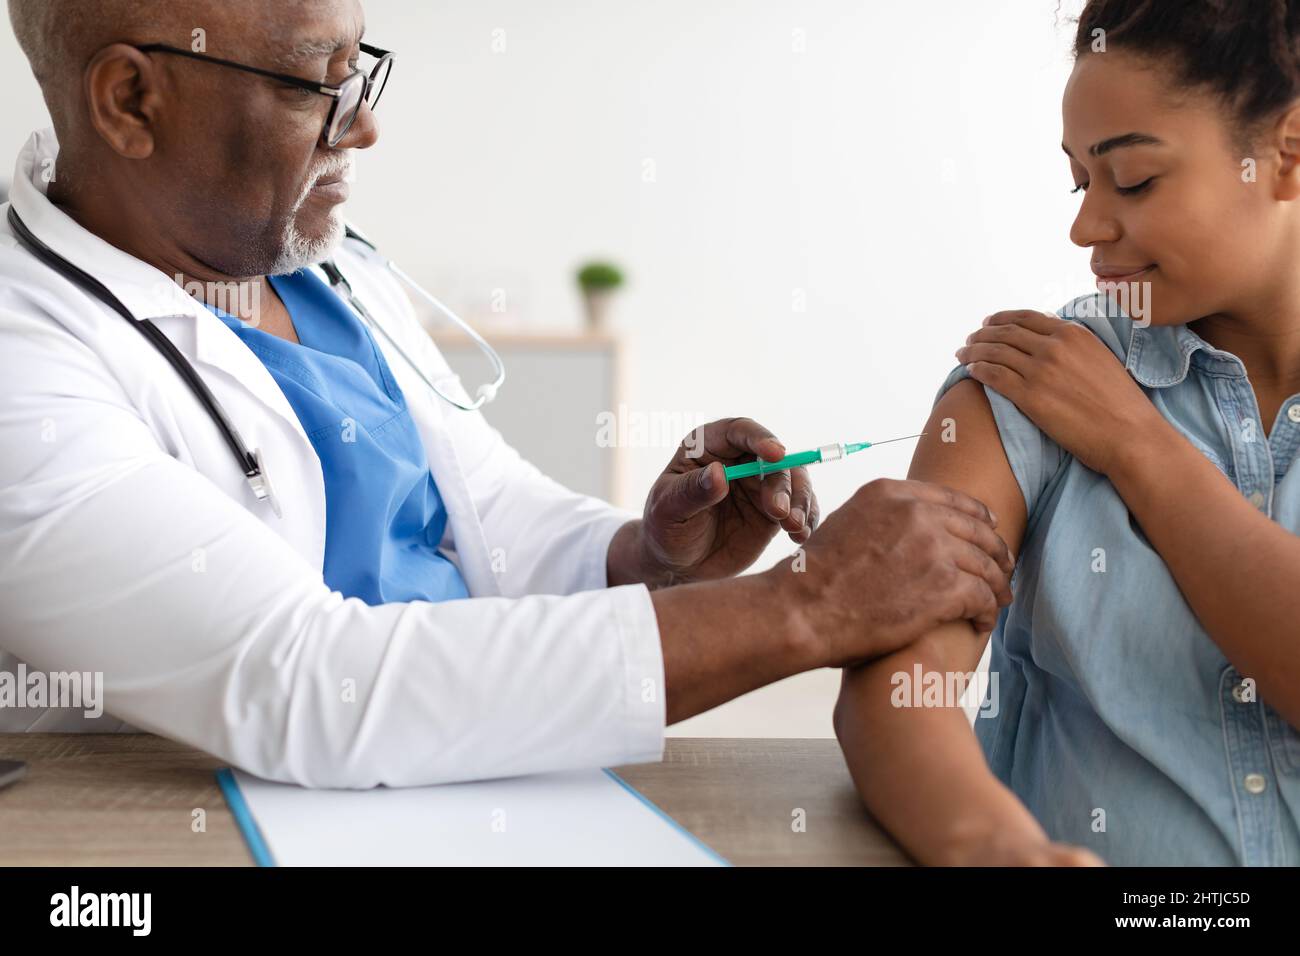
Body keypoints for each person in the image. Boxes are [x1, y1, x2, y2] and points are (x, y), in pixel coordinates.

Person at [0, 0, 1013, 788]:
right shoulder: (27, 361)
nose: (363, 130)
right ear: (131, 101)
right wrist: (808, 604)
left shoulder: (326, 268)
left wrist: (645, 556)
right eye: (314, 82)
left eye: (361, 71)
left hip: (472, 787)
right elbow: (308, 678)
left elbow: (490, 518)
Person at [835, 0, 1300, 865]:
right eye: (1081, 182)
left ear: (1286, 152)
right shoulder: (1027, 380)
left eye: (1133, 181)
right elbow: (898, 691)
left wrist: (1138, 445)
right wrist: (996, 848)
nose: (1085, 228)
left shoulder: (1087, 404)